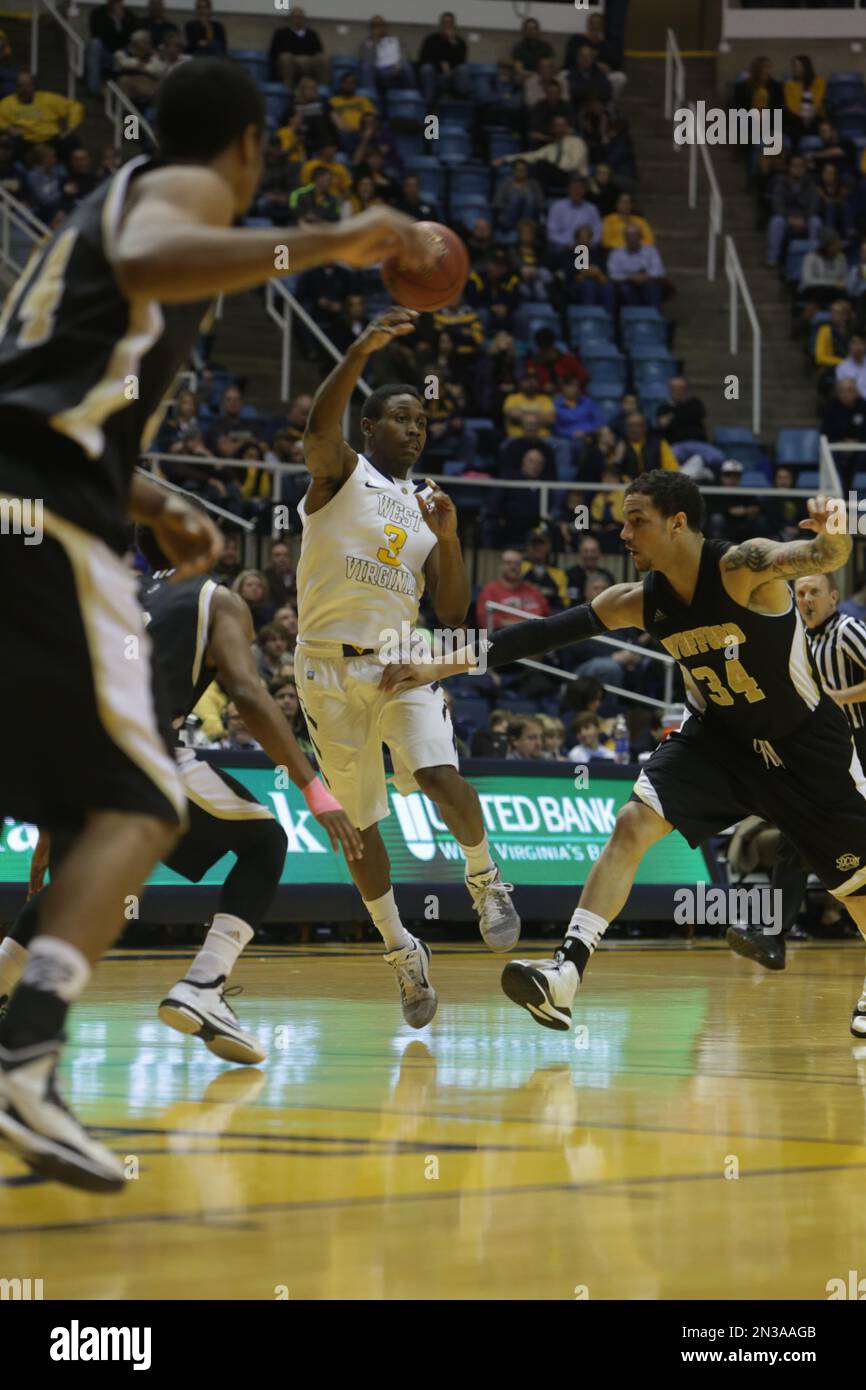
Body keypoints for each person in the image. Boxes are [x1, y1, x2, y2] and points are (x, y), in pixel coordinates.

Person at [0, 56, 433, 1193]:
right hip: (50, 518)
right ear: (244, 150)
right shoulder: (178, 192)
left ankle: (45, 1038)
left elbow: (51, 389)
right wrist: (339, 240)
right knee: (143, 801)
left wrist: (147, 493)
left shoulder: (87, 221)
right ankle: (27, 1056)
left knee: (86, 802)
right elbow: (155, 260)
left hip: (27, 494)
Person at [381, 474, 866, 1042]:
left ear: (677, 523)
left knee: (856, 888)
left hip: (805, 745)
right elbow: (539, 635)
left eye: (637, 520)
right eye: (623, 519)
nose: (623, 532)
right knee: (632, 823)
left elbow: (816, 554)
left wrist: (837, 532)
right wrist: (440, 665)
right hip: (718, 741)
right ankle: (565, 974)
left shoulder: (740, 568)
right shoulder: (640, 600)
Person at [0, 530, 361, 1061]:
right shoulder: (219, 599)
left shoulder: (121, 591)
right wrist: (311, 785)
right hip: (142, 749)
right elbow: (247, 690)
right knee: (264, 841)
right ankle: (204, 985)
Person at [294, 307, 521, 1029]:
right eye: (400, 417)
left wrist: (449, 539)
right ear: (370, 429)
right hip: (327, 671)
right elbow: (315, 430)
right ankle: (401, 948)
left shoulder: (427, 509)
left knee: (438, 776)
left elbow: (453, 613)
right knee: (359, 828)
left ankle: (483, 876)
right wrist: (360, 346)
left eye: (421, 419)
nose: (415, 428)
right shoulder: (340, 473)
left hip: (405, 663)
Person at [728, 571, 866, 993]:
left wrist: (836, 700)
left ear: (834, 597)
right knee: (793, 839)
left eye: (813, 593)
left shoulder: (847, 631)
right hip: (822, 756)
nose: (805, 599)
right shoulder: (799, 640)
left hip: (860, 745)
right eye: (800, 592)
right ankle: (773, 933)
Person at [269, 7, 328, 88]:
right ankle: (288, 90)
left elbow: (319, 51)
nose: (297, 19)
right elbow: (273, 53)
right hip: (289, 63)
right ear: (290, 18)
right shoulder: (281, 33)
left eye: (300, 17)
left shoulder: (312, 34)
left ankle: (322, 90)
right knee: (285, 58)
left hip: (308, 63)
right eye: (295, 17)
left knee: (322, 58)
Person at [418, 12, 470, 104]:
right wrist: (441, 64)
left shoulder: (459, 42)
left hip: (453, 73)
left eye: (450, 23)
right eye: (445, 23)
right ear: (441, 24)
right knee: (426, 69)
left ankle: (460, 101)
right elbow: (424, 58)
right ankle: (428, 102)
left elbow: (461, 61)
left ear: (454, 25)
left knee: (463, 69)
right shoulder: (431, 39)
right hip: (435, 72)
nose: (447, 26)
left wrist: (453, 42)